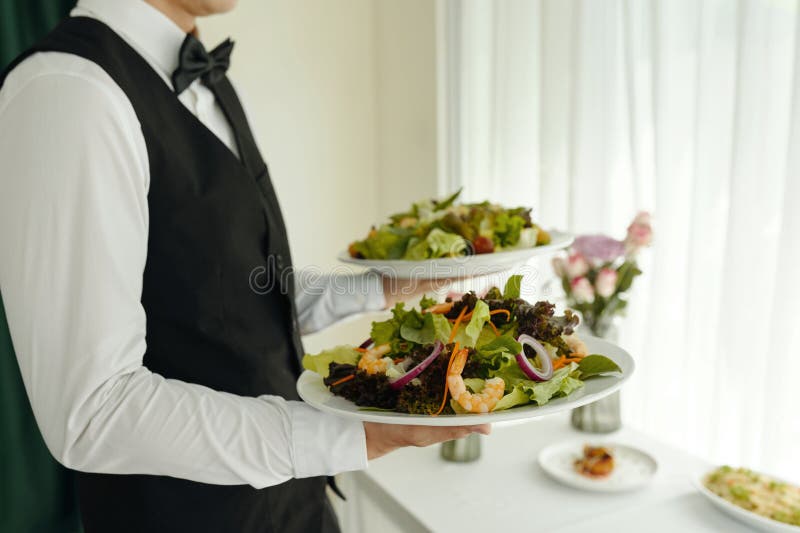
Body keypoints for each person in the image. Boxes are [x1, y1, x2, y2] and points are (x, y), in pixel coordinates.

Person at [0, 1, 489, 531]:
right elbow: (93, 412)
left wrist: (381, 286)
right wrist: (354, 436)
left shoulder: (204, 75)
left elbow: (228, 302)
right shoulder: (69, 91)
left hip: (297, 506)